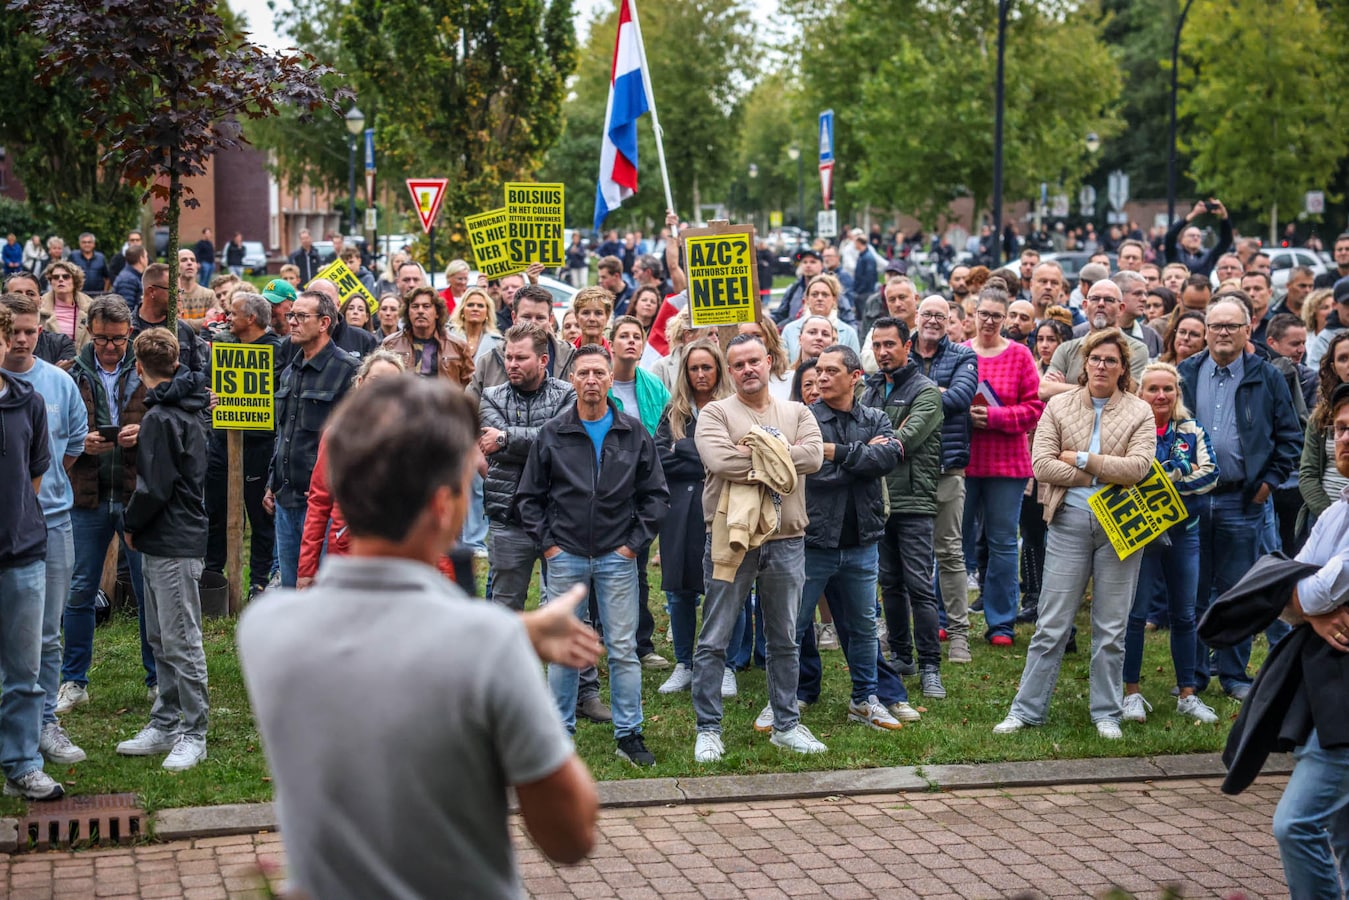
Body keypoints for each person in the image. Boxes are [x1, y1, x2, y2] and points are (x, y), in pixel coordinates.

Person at [238, 375, 601, 897]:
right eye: (467, 481)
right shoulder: (485, 646)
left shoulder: (267, 626)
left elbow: (385, 645)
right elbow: (571, 837)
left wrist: (512, 631)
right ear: (440, 507)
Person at [995, 330, 1154, 739]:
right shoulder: (1060, 406)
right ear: (1084, 363)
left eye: (1111, 361)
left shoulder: (1139, 411)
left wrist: (1083, 459)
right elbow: (1042, 464)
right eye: (1096, 359)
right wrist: (1096, 473)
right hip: (1067, 522)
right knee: (1052, 623)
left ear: (1123, 368)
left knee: (1111, 626)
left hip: (1121, 527)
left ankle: (1107, 713)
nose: (1102, 366)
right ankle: (1027, 710)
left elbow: (1137, 468)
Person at [515, 344, 668, 766]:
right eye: (583, 373)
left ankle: (629, 734)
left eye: (599, 373)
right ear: (573, 379)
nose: (592, 381)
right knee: (565, 648)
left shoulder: (632, 433)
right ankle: (558, 734)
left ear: (608, 379)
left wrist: (632, 544)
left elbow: (655, 496)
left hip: (617, 556)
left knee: (621, 647)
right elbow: (529, 497)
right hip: (565, 555)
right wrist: (548, 544)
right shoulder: (554, 433)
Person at [689, 334, 824, 762]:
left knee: (785, 637)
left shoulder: (798, 411)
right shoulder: (714, 413)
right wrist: (783, 456)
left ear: (769, 363)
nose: (748, 369)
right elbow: (720, 462)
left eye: (754, 361)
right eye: (739, 364)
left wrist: (758, 453)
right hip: (731, 539)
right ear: (730, 371)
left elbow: (816, 457)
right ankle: (708, 728)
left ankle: (786, 724)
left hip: (787, 540)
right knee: (714, 637)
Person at [1180, 297, 1303, 700]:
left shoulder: (1267, 376)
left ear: (1248, 330)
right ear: (1206, 330)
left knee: (1237, 591)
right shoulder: (1187, 372)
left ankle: (1233, 675)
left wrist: (1266, 484)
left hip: (1242, 501)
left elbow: (1289, 438)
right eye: (1216, 326)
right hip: (1193, 501)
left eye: (1232, 326)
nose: (1223, 333)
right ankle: (1194, 675)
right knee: (1194, 591)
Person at [796, 343, 917, 727]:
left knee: (865, 626)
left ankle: (865, 699)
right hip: (814, 539)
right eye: (818, 371)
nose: (820, 378)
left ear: (855, 376)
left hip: (863, 540)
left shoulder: (876, 417)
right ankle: (789, 697)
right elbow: (812, 470)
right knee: (794, 626)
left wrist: (836, 452)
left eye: (832, 371)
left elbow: (887, 459)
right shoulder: (805, 418)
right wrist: (859, 457)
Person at [1, 294, 89, 769]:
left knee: (47, 633)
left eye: (29, 331)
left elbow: (70, 446)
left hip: (51, 522)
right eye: (12, 330)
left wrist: (42, 489)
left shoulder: (57, 383)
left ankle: (45, 722)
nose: (20, 339)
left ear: (40, 331)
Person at [117, 327, 211, 771]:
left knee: (181, 639)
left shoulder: (161, 416)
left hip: (173, 538)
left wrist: (130, 523)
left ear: (139, 368)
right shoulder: (179, 406)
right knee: (161, 636)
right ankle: (166, 720)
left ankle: (194, 731)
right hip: (169, 537)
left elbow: (155, 487)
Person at [58, 296, 157, 716]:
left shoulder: (147, 370)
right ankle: (73, 680)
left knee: (147, 588)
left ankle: (156, 678)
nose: (110, 347)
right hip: (88, 494)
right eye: (101, 339)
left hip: (136, 493)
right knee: (80, 589)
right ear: (89, 333)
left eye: (117, 340)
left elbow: (171, 422)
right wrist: (79, 445)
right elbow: (50, 432)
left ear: (129, 333)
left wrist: (143, 432)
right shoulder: (69, 374)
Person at [1272, 381, 1349, 897]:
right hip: (1325, 685)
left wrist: (1304, 605)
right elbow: (1284, 594)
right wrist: (1309, 611)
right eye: (1342, 429)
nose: (1347, 439)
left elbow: (1313, 590)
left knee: (1296, 824)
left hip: (1340, 696)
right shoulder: (1334, 512)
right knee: (1344, 833)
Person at [1121, 362, 1220, 726]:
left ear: (1177, 393)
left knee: (1186, 613)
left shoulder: (1191, 429)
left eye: (1168, 389)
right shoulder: (1130, 426)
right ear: (1139, 391)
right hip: (1141, 536)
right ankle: (1130, 693)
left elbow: (1210, 473)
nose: (1161, 395)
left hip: (1184, 533)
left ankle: (1187, 693)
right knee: (1136, 614)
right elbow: (1123, 471)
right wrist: (1175, 476)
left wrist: (1165, 485)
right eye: (1153, 389)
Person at [0, 302, 65, 800]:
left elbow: (35, 475)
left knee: (25, 670)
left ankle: (23, 762)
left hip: (22, 555)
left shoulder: (28, 401)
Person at [656, 339, 739, 695]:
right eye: (694, 368)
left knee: (724, 587)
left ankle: (726, 664)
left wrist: (686, 449)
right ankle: (684, 663)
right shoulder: (674, 411)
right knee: (680, 591)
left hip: (722, 507)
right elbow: (659, 457)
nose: (701, 374)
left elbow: (732, 456)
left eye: (707, 367)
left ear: (718, 369)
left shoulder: (732, 409)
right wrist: (704, 456)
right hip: (680, 511)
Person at [962, 287, 1044, 646]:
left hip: (1008, 462)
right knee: (952, 542)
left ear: (1007, 318)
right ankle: (947, 614)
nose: (991, 321)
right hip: (963, 459)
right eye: (985, 314)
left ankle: (1001, 621)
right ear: (974, 314)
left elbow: (1034, 408)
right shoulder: (960, 353)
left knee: (1003, 542)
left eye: (998, 315)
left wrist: (994, 416)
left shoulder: (1021, 355)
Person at [265, 291, 360, 587]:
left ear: (324, 323)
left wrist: (336, 491)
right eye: (291, 315)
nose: (291, 322)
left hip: (321, 506)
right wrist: (272, 481)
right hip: (285, 499)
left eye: (301, 316)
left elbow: (355, 442)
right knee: (293, 590)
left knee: (324, 594)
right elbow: (284, 432)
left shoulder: (348, 371)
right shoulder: (290, 370)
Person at [907, 297, 979, 664]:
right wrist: (939, 394)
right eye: (927, 315)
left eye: (941, 316)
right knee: (904, 554)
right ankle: (903, 631)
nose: (933, 321)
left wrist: (917, 397)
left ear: (950, 322)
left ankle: (959, 634)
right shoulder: (901, 353)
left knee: (949, 552)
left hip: (947, 466)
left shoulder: (964, 357)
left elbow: (962, 398)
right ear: (916, 318)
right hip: (904, 468)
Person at [296, 351, 407, 588]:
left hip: (399, 555)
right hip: (348, 553)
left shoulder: (414, 436)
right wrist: (307, 570)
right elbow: (319, 503)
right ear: (360, 382)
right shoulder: (339, 434)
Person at [204, 293, 283, 601]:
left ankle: (258, 583)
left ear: (251, 319)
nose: (228, 317)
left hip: (259, 449)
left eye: (234, 313)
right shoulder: (224, 348)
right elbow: (207, 384)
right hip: (222, 444)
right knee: (216, 514)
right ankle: (213, 577)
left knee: (261, 519)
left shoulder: (278, 353)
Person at [1299, 332, 1349, 533]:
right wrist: (1330, 514)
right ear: (1333, 367)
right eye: (1343, 359)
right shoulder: (1320, 416)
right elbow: (1308, 474)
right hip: (1325, 515)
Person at [382, 286, 474, 386]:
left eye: (426, 306)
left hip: (444, 400)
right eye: (415, 306)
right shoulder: (391, 344)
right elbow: (380, 382)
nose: (420, 311)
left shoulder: (458, 346)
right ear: (408, 312)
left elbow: (471, 387)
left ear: (437, 313)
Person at [133, 264, 207, 374]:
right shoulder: (128, 330)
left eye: (180, 291)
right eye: (174, 291)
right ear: (152, 291)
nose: (179, 297)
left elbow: (198, 374)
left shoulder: (184, 330)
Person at [781, 274, 860, 363]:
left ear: (834, 299)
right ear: (806, 299)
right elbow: (783, 368)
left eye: (825, 295)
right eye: (814, 294)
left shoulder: (849, 333)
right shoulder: (790, 330)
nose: (819, 298)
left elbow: (855, 370)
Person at [1163, 199, 1233, 278]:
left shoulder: (1208, 256)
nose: (1195, 238)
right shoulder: (1174, 253)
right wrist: (1193, 214)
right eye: (1191, 235)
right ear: (1182, 240)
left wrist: (1224, 216)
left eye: (1198, 236)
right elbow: (1170, 236)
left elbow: (1226, 241)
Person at [39, 259, 93, 350]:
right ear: (51, 282)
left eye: (66, 277)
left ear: (75, 281)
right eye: (55, 277)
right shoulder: (40, 305)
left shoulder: (91, 306)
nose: (60, 279)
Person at [448, 286, 500, 362]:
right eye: (470, 305)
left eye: (480, 306)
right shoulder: (448, 338)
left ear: (487, 313)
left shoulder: (497, 343)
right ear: (462, 310)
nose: (475, 309)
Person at [174, 248, 216, 331]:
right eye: (184, 260)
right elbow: (172, 324)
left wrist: (182, 322)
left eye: (192, 260)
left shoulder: (209, 294)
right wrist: (204, 321)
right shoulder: (171, 295)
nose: (189, 263)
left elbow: (215, 322)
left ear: (197, 266)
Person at [112, 245, 147, 313]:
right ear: (141, 259)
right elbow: (127, 309)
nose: (147, 259)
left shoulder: (134, 276)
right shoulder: (127, 280)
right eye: (146, 256)